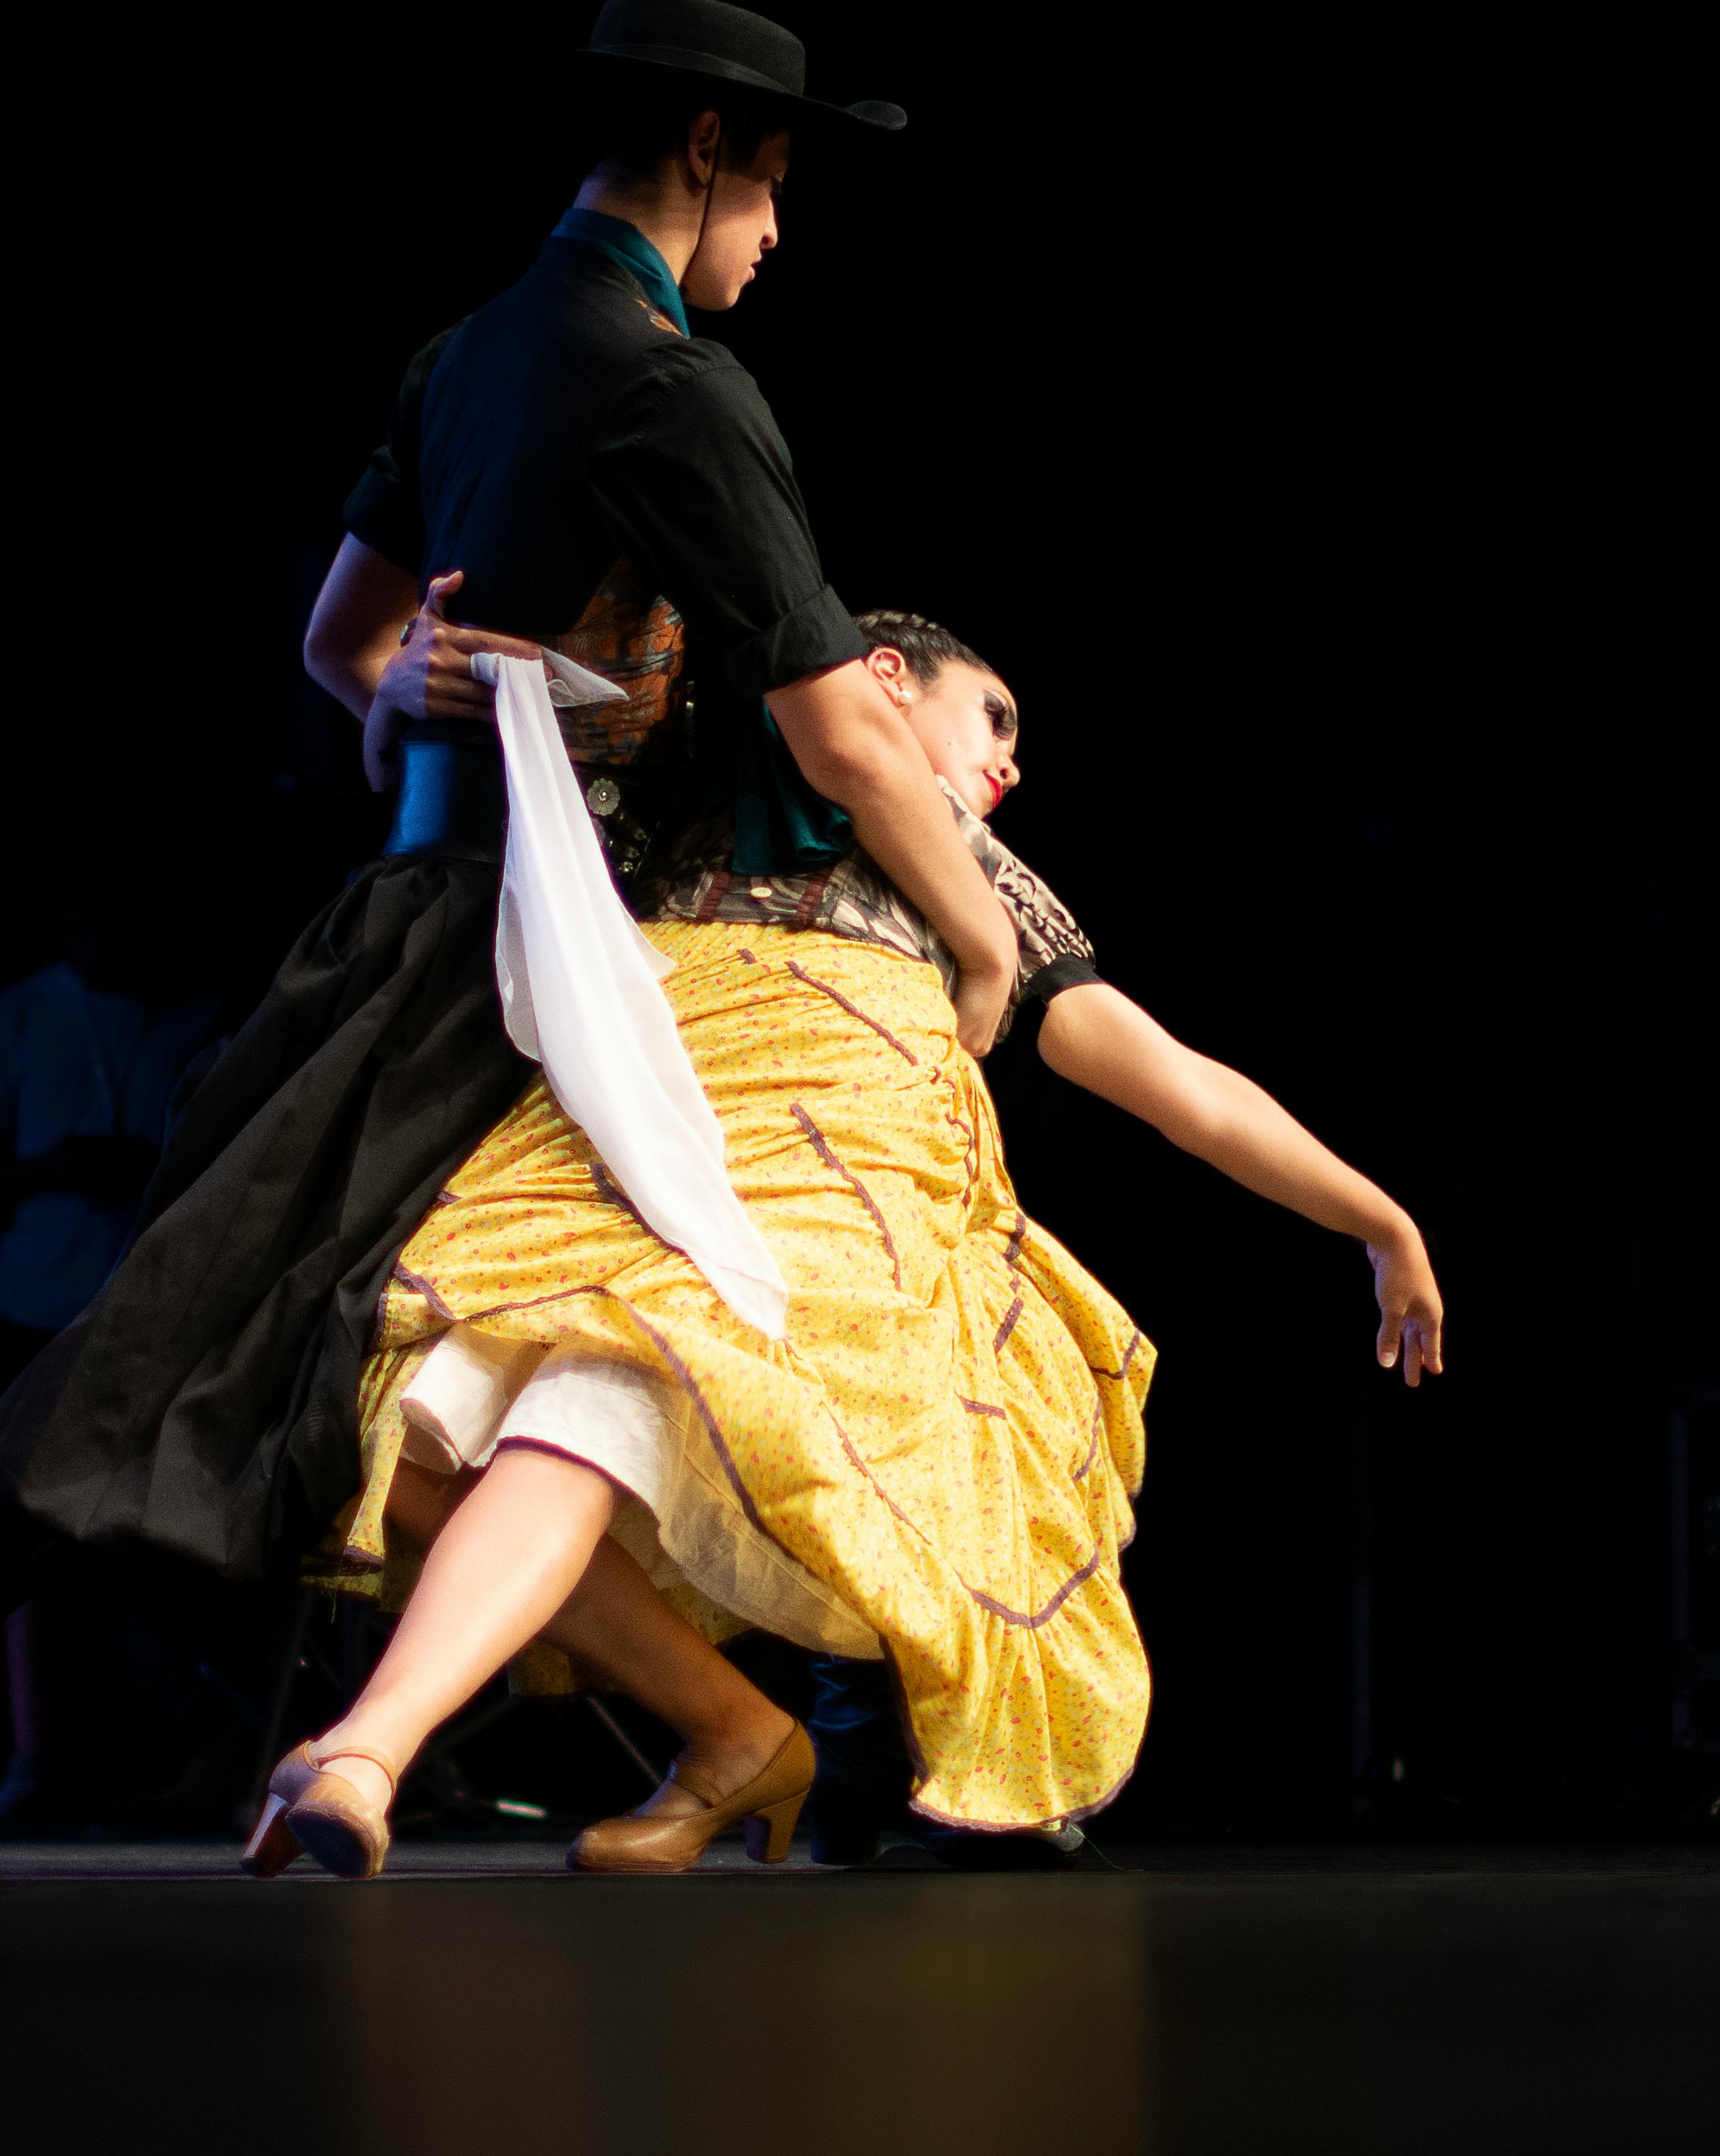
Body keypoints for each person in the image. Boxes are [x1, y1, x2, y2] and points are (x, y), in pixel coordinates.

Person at [0, 0, 1016, 1877]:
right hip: (495, 961)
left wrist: (403, 695)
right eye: (776, 187)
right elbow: (842, 727)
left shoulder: (466, 354)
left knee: (526, 1349)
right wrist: (977, 942)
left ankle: (767, 1730)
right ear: (708, 150)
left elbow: (344, 645)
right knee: (251, 1332)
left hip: (446, 925)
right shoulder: (670, 385)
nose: (779, 233)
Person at [243, 610, 1446, 1881]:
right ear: (881, 679)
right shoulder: (686, 784)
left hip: (820, 1166)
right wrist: (393, 694)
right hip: (634, 1132)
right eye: (995, 718)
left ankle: (374, 1748)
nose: (1014, 760)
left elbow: (1178, 1083)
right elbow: (474, 760)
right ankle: (732, 1731)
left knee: (599, 1389)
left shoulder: (977, 876)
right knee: (409, 1422)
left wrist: (1377, 1218)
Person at [0, 868, 223, 1826]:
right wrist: (54, 1168)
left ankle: (169, 1772)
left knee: (158, 1541)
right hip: (35, 1306)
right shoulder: (23, 1012)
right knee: (25, 1540)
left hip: (157, 1311)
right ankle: (32, 1759)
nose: (96, 946)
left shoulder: (195, 1012)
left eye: (113, 926)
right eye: (79, 926)